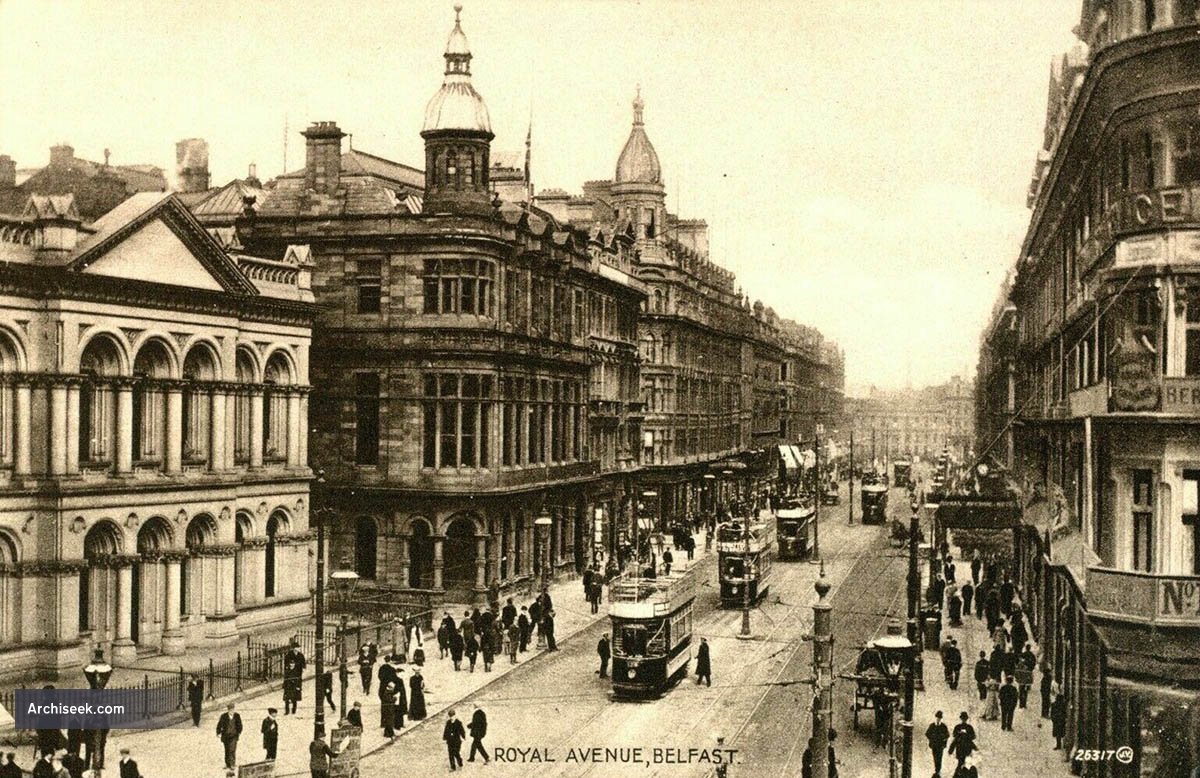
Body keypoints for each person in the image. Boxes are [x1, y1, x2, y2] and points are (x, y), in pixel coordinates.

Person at [215, 703, 242, 769]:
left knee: (232, 749)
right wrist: (218, 732)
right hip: (226, 736)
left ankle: (232, 764)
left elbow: (240, 725)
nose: (232, 711)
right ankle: (227, 764)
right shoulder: (223, 716)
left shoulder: (237, 716)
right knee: (227, 750)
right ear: (228, 710)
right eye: (230, 710)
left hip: (234, 736)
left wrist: (239, 732)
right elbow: (219, 725)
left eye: (233, 709)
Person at [283, 641, 306, 715]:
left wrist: (303, 668)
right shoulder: (289, 655)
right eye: (297, 647)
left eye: (299, 647)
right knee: (287, 697)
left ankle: (293, 710)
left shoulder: (300, 655)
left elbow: (303, 663)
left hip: (297, 674)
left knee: (295, 696)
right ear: (294, 648)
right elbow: (286, 664)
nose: (298, 649)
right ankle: (287, 711)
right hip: (290, 675)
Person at [925, 711, 950, 778]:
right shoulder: (932, 725)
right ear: (935, 718)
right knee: (935, 756)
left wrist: (943, 739)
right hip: (934, 745)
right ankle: (937, 769)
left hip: (940, 745)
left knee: (939, 757)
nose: (938, 719)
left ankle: (938, 770)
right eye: (937, 718)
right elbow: (927, 734)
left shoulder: (943, 726)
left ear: (941, 719)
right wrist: (932, 738)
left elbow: (947, 735)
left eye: (940, 718)